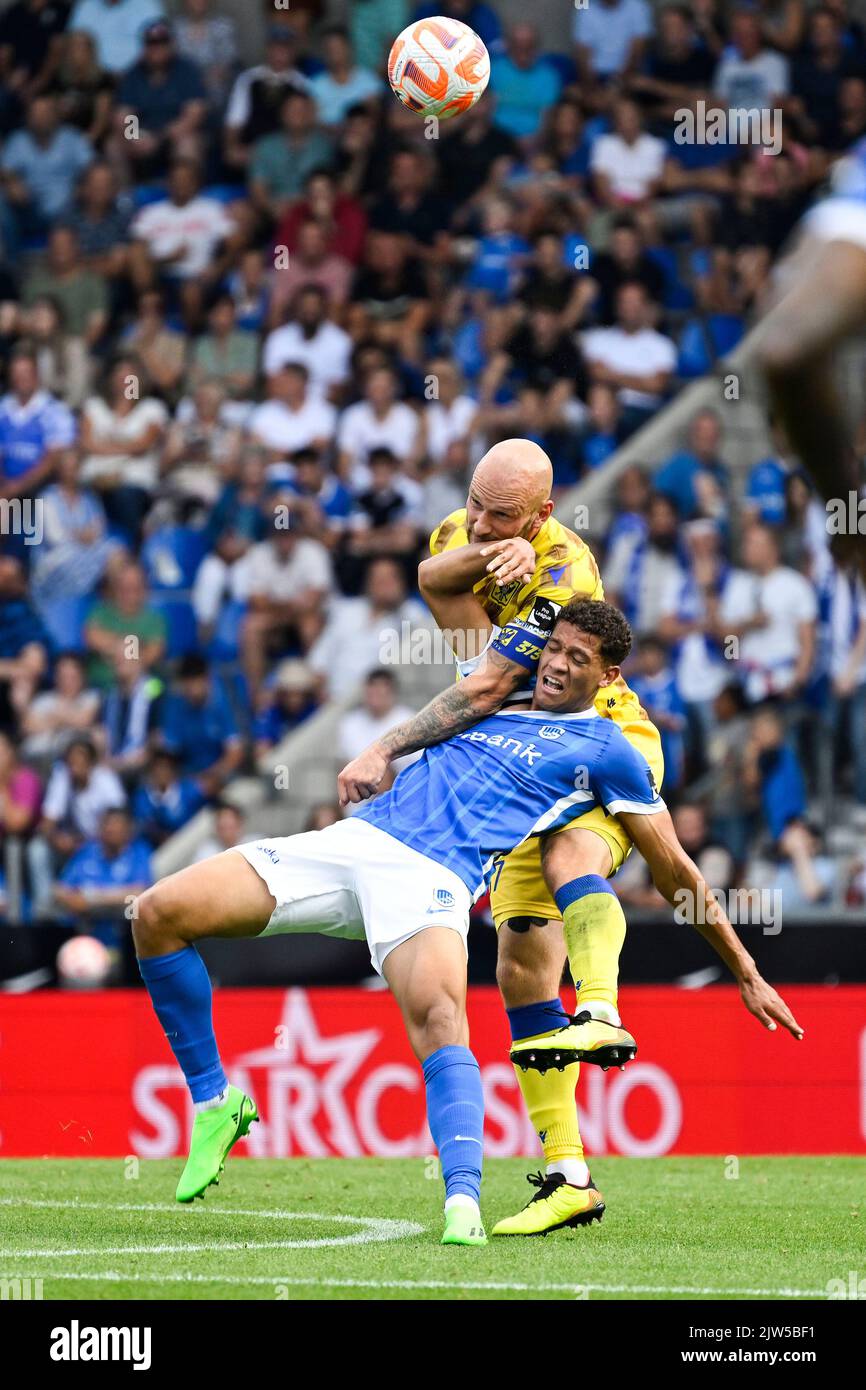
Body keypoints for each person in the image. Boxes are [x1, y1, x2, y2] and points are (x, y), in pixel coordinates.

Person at [133, 598, 801, 1243]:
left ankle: (463, 1204)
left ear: (609, 677)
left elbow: (677, 870)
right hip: (353, 841)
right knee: (158, 913)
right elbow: (443, 581)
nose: (559, 664)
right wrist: (380, 750)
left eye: (579, 657)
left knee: (440, 1024)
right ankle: (216, 1103)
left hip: (433, 880)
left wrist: (744, 969)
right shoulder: (492, 698)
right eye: (556, 648)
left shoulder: (605, 749)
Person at [337, 438, 666, 1235]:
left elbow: (485, 686)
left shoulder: (569, 573)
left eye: (503, 514)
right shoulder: (464, 530)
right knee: (520, 966)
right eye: (475, 501)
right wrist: (488, 542)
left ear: (545, 515)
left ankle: (601, 1007)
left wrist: (387, 745)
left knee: (570, 855)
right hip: (513, 759)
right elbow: (430, 577)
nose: (479, 520)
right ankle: (567, 1176)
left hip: (594, 742)